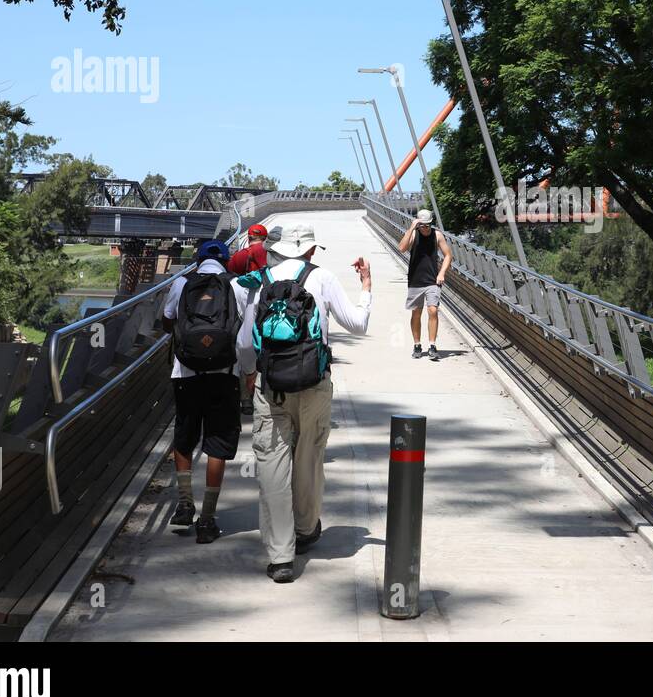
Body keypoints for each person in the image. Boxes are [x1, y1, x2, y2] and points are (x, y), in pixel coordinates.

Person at [237, 222, 372, 583]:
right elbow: (357, 324)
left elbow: (245, 345)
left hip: (271, 386)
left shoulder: (259, 281)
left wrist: (251, 374)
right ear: (309, 251)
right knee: (309, 458)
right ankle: (307, 528)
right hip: (315, 384)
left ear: (274, 250)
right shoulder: (323, 278)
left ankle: (281, 557)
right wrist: (366, 288)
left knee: (272, 466)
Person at [160, 239, 254, 544]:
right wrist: (248, 375)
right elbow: (245, 339)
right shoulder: (237, 286)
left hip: (185, 373)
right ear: (226, 260)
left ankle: (185, 503)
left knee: (184, 437)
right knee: (217, 443)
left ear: (197, 260)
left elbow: (166, 322)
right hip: (224, 375)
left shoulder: (181, 283)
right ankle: (208, 519)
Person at [397, 209, 452, 361]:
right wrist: (411, 228)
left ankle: (432, 345)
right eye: (423, 225)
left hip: (432, 280)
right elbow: (401, 248)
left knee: (433, 310)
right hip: (415, 280)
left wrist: (441, 273)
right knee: (416, 313)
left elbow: (448, 255)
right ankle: (417, 345)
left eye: (428, 225)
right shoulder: (414, 234)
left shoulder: (437, 235)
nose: (426, 228)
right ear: (418, 224)